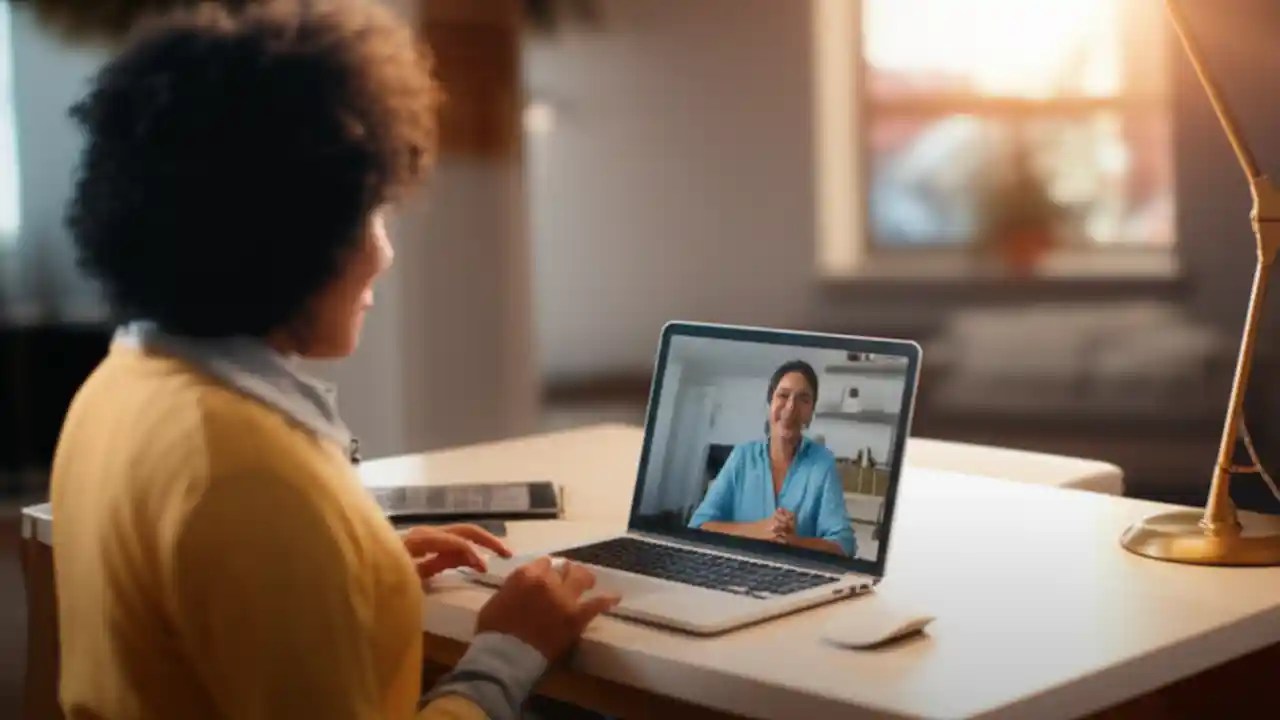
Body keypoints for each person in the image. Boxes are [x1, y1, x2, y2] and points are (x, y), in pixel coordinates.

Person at [49, 2, 618, 719]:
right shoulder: (252, 477)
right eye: (371, 214)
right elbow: (248, 520)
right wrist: (508, 651)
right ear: (290, 237)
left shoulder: (118, 387)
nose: (384, 252)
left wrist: (353, 571)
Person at [688, 360, 857, 557]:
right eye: (783, 395)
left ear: (811, 413)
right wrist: (759, 531)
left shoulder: (823, 463)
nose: (791, 407)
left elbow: (844, 546)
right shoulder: (742, 456)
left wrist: (793, 542)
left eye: (803, 399)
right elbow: (699, 525)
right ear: (770, 404)